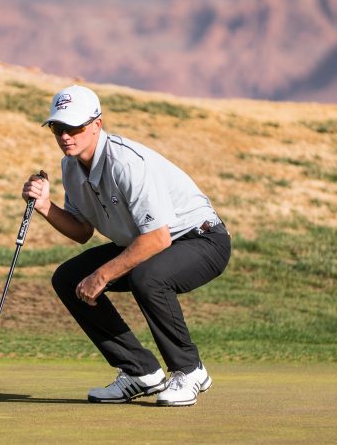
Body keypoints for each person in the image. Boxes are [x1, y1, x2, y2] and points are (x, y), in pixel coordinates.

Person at [22, 84, 231, 406]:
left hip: (201, 238)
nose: (65, 135)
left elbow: (158, 237)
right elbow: (81, 231)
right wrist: (45, 206)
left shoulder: (126, 163)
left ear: (96, 125)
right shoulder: (71, 167)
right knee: (68, 278)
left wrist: (102, 276)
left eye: (74, 127)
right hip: (151, 242)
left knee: (148, 277)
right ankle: (140, 372)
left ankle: (190, 371)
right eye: (58, 127)